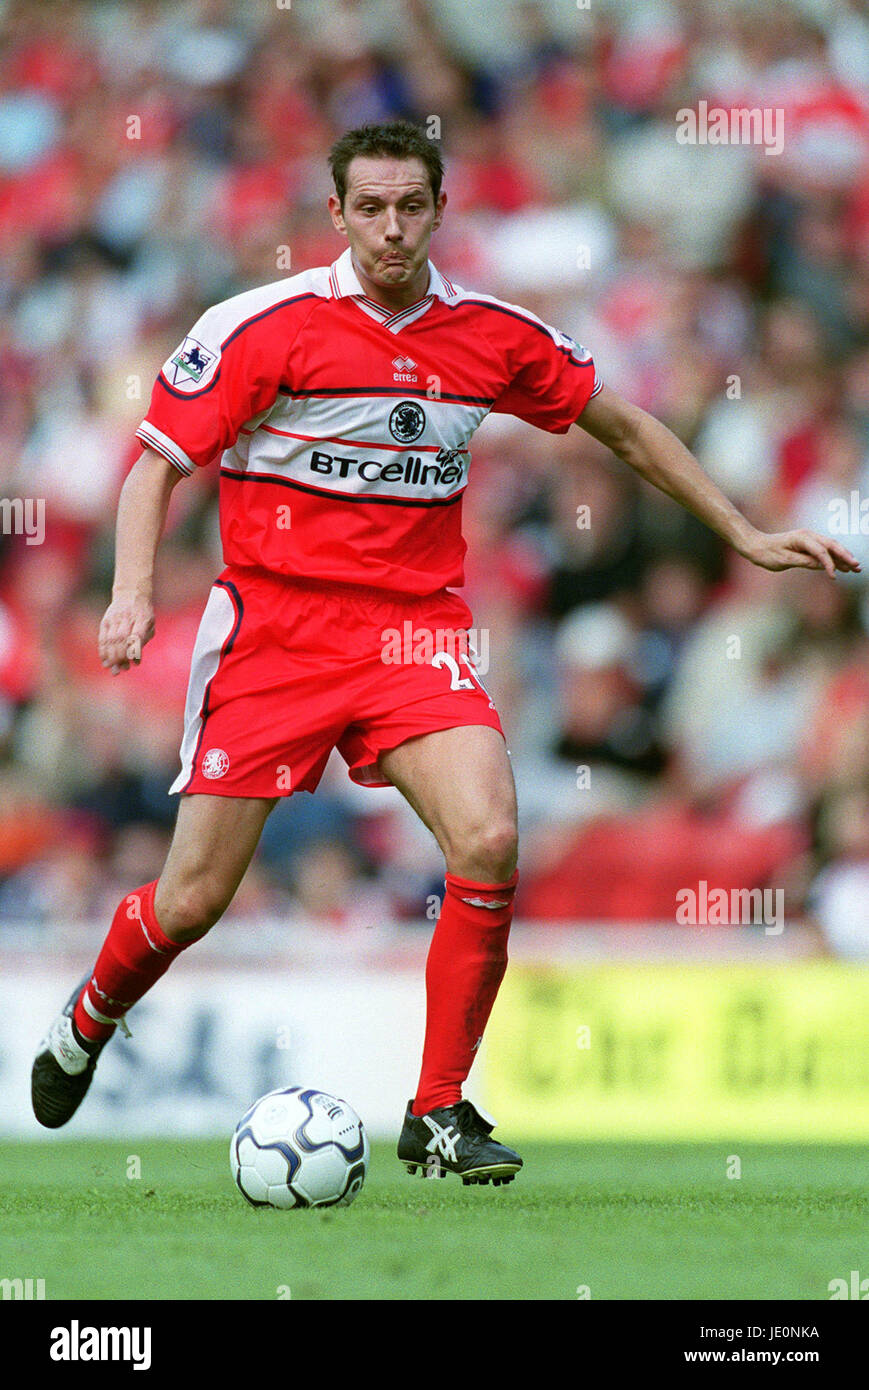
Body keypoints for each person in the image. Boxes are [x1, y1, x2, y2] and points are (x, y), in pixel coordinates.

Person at [31, 121, 860, 1185]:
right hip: (275, 640)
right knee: (191, 900)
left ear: (438, 210)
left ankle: (435, 1111)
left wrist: (740, 530)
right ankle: (92, 1013)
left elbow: (624, 428)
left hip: (411, 636)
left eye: (408, 207)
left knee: (489, 833)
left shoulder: (490, 336)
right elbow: (154, 469)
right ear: (334, 215)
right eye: (368, 208)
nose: (389, 229)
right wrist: (132, 594)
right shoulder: (259, 328)